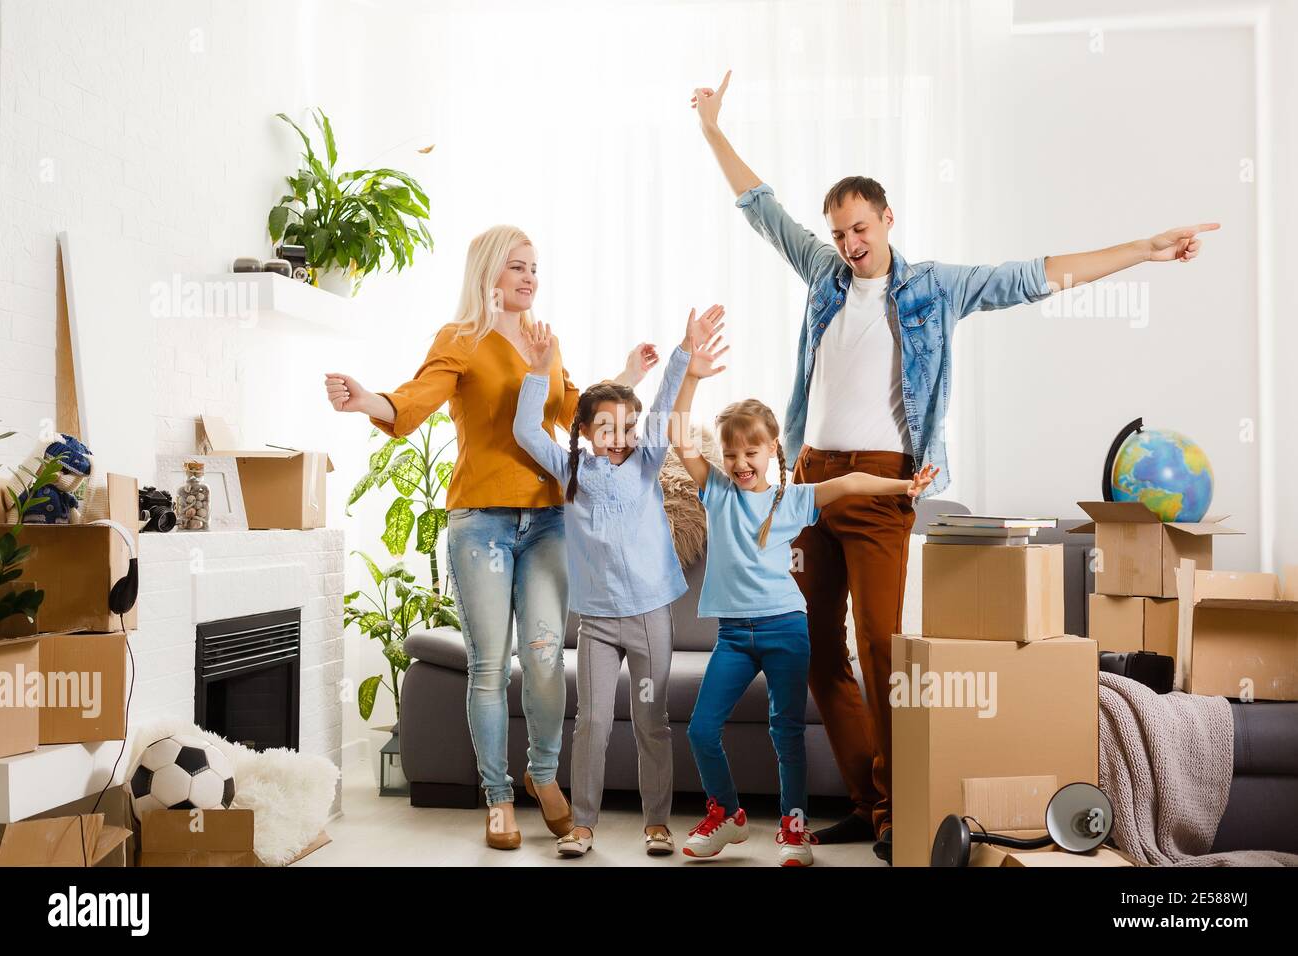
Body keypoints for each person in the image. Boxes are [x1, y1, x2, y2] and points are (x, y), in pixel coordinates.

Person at [690, 70, 1218, 862]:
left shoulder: (936, 289)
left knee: (878, 648)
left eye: (860, 228)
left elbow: (1034, 276)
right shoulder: (822, 277)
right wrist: (711, 130)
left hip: (881, 488)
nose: (849, 244)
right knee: (816, 652)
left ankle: (900, 808)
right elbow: (760, 206)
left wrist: (1144, 249)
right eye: (838, 233)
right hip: (806, 481)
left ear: (887, 218)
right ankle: (871, 803)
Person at [324, 225, 656, 849]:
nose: (530, 277)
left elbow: (575, 413)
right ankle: (498, 796)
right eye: (517, 267)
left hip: (548, 519)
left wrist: (628, 372)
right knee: (487, 665)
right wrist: (370, 400)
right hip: (481, 520)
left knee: (543, 655)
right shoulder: (460, 339)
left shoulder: (542, 341)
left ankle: (543, 775)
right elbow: (417, 400)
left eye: (535, 267)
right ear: (488, 275)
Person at [667, 328, 936, 866]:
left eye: (753, 451)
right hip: (734, 636)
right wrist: (690, 374)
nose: (742, 462)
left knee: (785, 730)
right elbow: (677, 437)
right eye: (732, 453)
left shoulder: (793, 500)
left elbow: (853, 481)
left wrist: (901, 488)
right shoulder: (716, 491)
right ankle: (726, 815)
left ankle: (793, 828)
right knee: (701, 728)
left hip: (786, 628)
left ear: (773, 450)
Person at [511, 305, 724, 857]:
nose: (617, 436)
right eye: (604, 427)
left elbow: (660, 408)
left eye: (625, 427)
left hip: (652, 616)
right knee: (593, 723)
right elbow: (524, 428)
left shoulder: (648, 460)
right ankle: (583, 825)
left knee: (652, 720)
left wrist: (682, 353)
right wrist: (538, 370)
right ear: (583, 430)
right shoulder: (569, 468)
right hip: (598, 623)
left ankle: (657, 821)